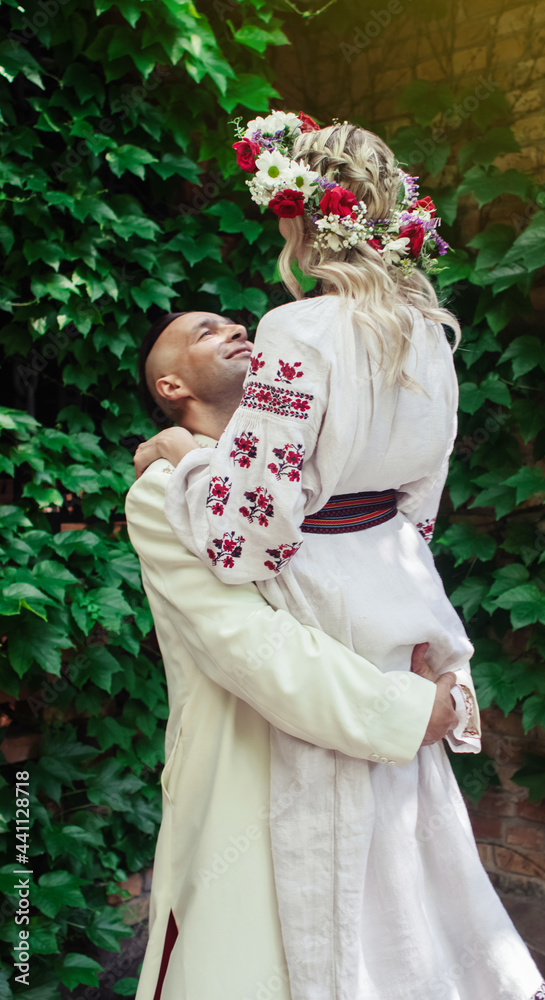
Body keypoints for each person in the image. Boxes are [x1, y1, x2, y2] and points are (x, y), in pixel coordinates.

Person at [137, 115, 545, 1000]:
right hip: (395, 605)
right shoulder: (430, 334)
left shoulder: (297, 328)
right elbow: (421, 506)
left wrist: (190, 457)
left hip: (316, 612)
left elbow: (246, 536)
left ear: (300, 218)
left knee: (328, 893)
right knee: (413, 897)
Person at [126, 310, 464, 1000]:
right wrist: (410, 711)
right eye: (200, 331)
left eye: (231, 322)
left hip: (375, 761)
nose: (231, 329)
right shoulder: (160, 493)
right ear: (168, 385)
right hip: (248, 771)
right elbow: (251, 646)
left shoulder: (317, 479)